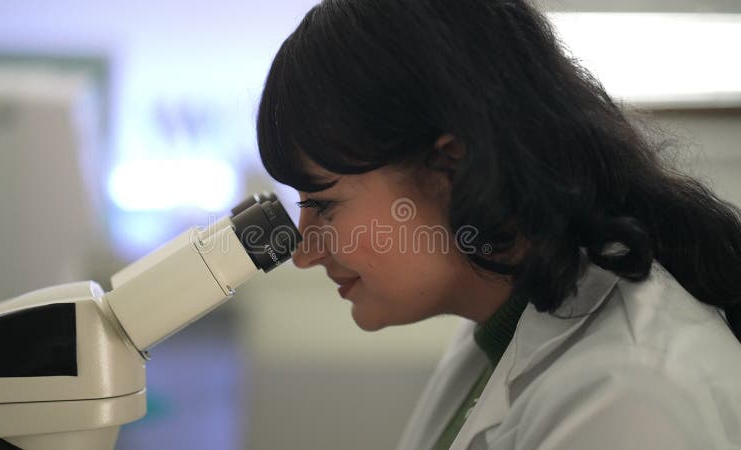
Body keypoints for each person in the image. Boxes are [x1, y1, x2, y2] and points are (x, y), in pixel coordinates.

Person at [255, 0, 741, 449]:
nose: (305, 251)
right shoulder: (494, 333)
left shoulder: (633, 398)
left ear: (454, 166)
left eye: (325, 203)